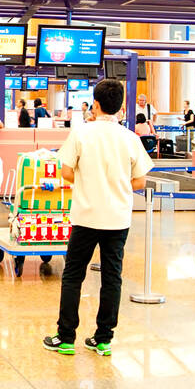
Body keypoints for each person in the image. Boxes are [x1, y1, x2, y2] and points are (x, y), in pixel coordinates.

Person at [43, 78, 153, 357]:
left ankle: (66, 337)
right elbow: (140, 180)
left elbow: (66, 172)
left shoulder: (82, 133)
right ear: (120, 106)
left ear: (96, 103)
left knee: (73, 275)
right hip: (117, 218)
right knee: (112, 276)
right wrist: (117, 183)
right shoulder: (130, 138)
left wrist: (87, 178)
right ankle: (103, 338)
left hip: (86, 216)